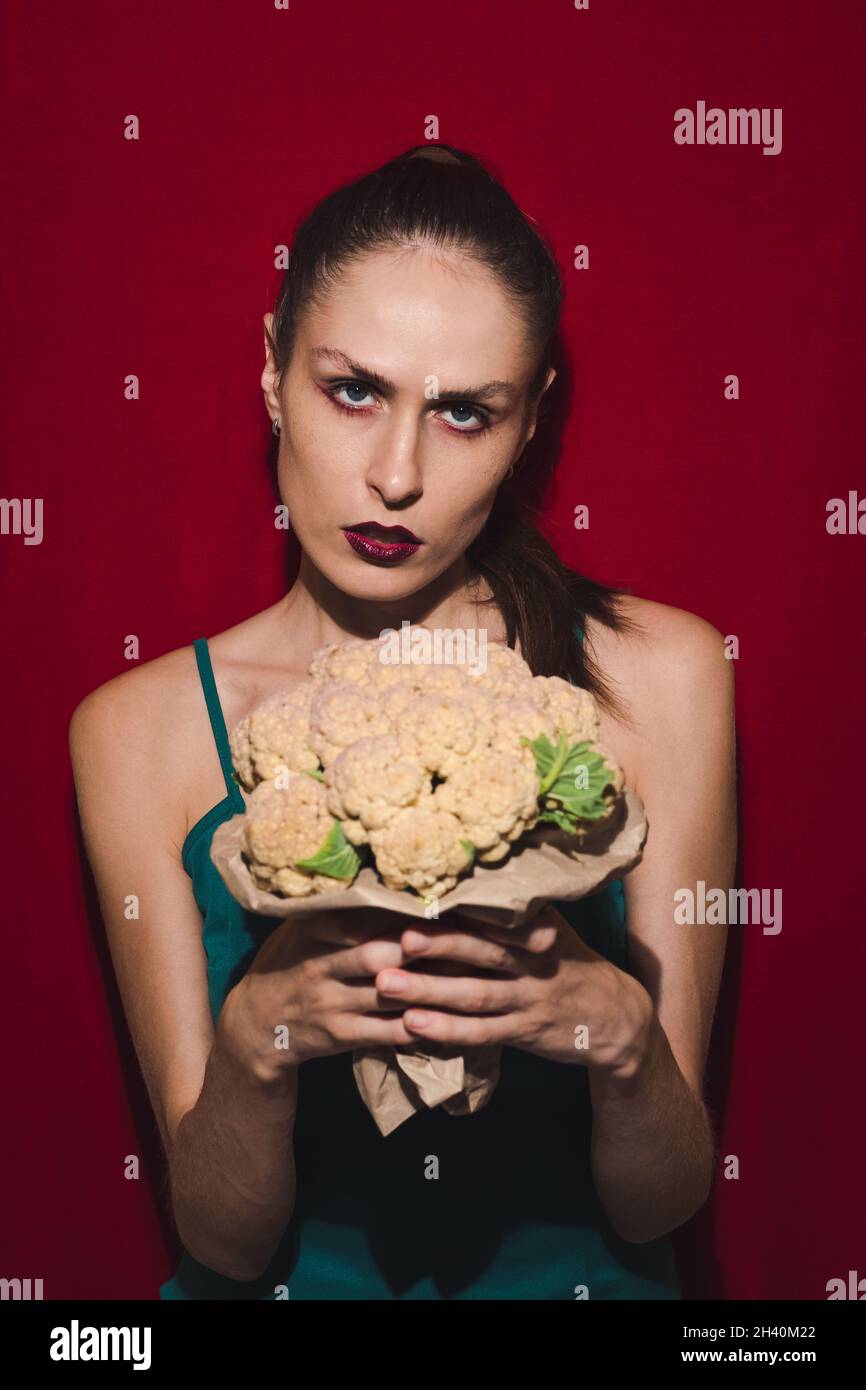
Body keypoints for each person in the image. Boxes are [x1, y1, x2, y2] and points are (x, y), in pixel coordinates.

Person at [69, 143, 736, 1300]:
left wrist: (618, 1038)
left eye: (464, 413)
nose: (395, 473)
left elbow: (661, 1199)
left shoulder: (660, 675)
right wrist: (256, 1043)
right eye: (353, 389)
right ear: (272, 373)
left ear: (530, 426)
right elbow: (221, 1239)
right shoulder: (140, 729)